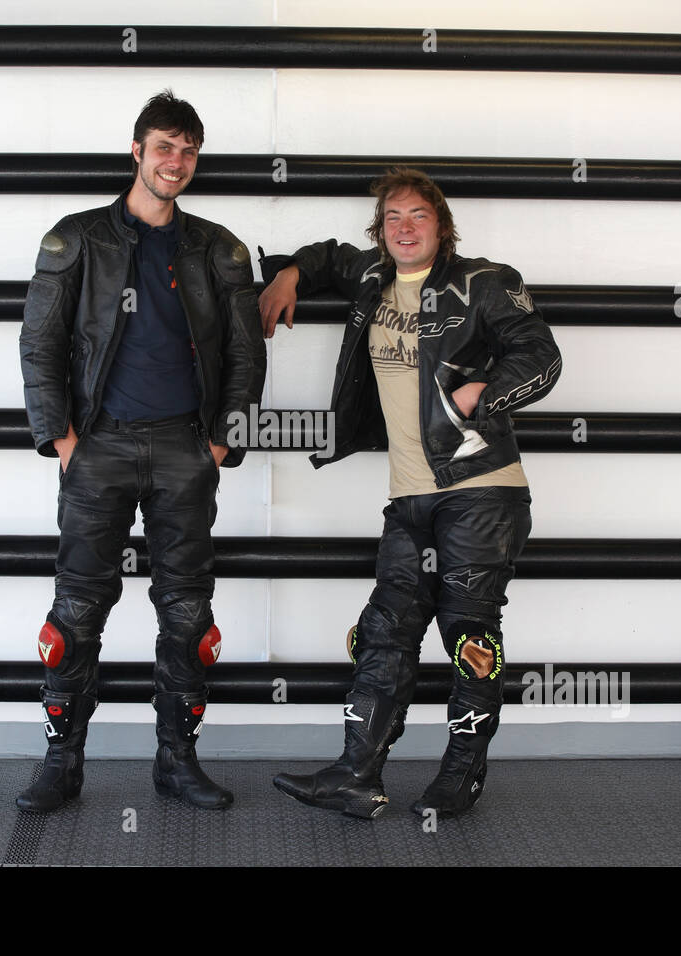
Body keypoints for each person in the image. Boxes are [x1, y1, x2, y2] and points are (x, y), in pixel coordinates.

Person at [258, 167, 561, 819]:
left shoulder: (485, 281)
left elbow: (541, 357)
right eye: (392, 217)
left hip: (481, 492)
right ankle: (355, 775)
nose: (404, 227)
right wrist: (288, 275)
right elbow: (325, 259)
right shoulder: (372, 277)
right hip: (411, 498)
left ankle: (461, 775)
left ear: (441, 225)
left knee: (468, 634)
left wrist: (484, 390)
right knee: (385, 630)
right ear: (380, 230)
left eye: (417, 215)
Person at [16, 90, 266, 812]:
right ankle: (62, 765)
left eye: (188, 151)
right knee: (75, 613)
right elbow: (41, 342)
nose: (176, 162)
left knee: (188, 614)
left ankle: (177, 764)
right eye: (164, 147)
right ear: (137, 151)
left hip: (185, 452)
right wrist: (60, 438)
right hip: (98, 448)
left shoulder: (218, 248)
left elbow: (246, 358)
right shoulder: (78, 238)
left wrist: (222, 442)